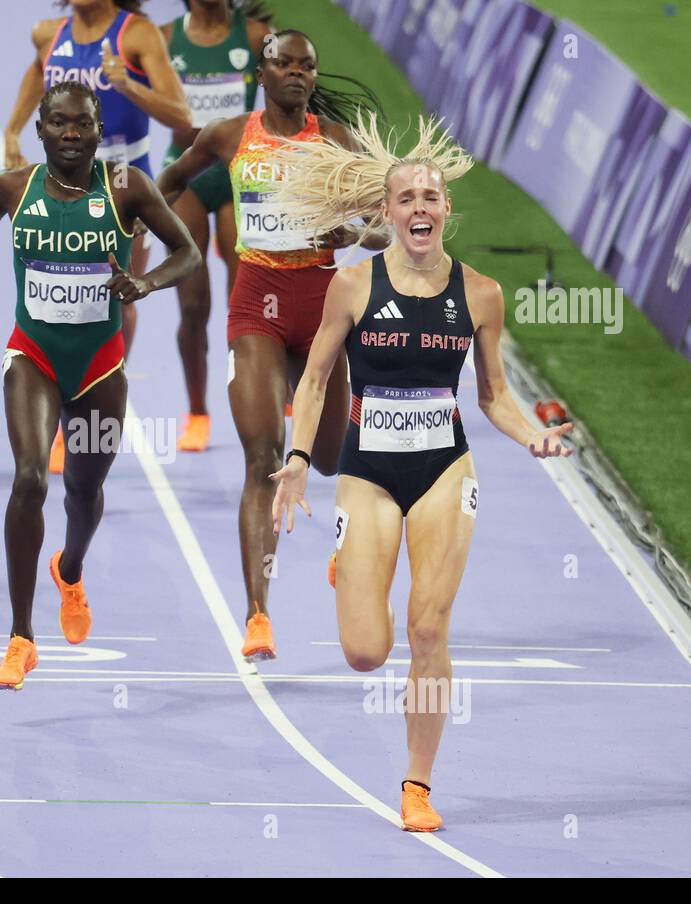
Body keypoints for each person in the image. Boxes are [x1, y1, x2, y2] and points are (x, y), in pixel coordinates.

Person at [270, 114, 574, 832]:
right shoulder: (351, 286)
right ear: (386, 212)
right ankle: (352, 563)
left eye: (429, 198)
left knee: (429, 628)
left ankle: (417, 783)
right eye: (405, 198)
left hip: (444, 469)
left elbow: (495, 395)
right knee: (366, 652)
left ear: (446, 212)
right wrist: (296, 460)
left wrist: (534, 437)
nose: (418, 209)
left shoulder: (482, 294)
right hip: (368, 472)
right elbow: (314, 382)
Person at [0, 81, 199, 690]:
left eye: (83, 125)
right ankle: (20, 636)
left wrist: (145, 286)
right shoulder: (13, 188)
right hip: (34, 357)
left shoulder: (128, 189)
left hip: (99, 366)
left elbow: (189, 252)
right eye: (60, 124)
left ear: (100, 132)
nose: (72, 134)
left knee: (84, 490)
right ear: (39, 131)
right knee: (29, 478)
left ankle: (69, 569)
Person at [157, 29, 382, 662]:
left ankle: (349, 537)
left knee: (334, 458)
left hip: (321, 312)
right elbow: (166, 182)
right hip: (255, 304)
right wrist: (134, 233)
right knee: (265, 458)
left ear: (313, 76)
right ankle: (258, 614)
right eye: (284, 62)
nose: (295, 72)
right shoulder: (230, 135)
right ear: (262, 71)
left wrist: (356, 227)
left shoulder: (336, 144)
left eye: (306, 65)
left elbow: (378, 222)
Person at [5, 0, 193, 473]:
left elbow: (181, 114)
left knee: (119, 290)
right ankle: (62, 399)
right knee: (62, 275)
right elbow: (37, 73)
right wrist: (11, 130)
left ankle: (100, 387)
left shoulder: (138, 35)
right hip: (63, 181)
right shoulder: (48, 33)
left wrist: (127, 83)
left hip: (125, 184)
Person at [160, 0, 270, 452]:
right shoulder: (166, 39)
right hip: (185, 175)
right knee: (192, 305)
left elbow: (292, 90)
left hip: (238, 177)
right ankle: (198, 412)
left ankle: (259, 401)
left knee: (242, 309)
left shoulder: (255, 36)